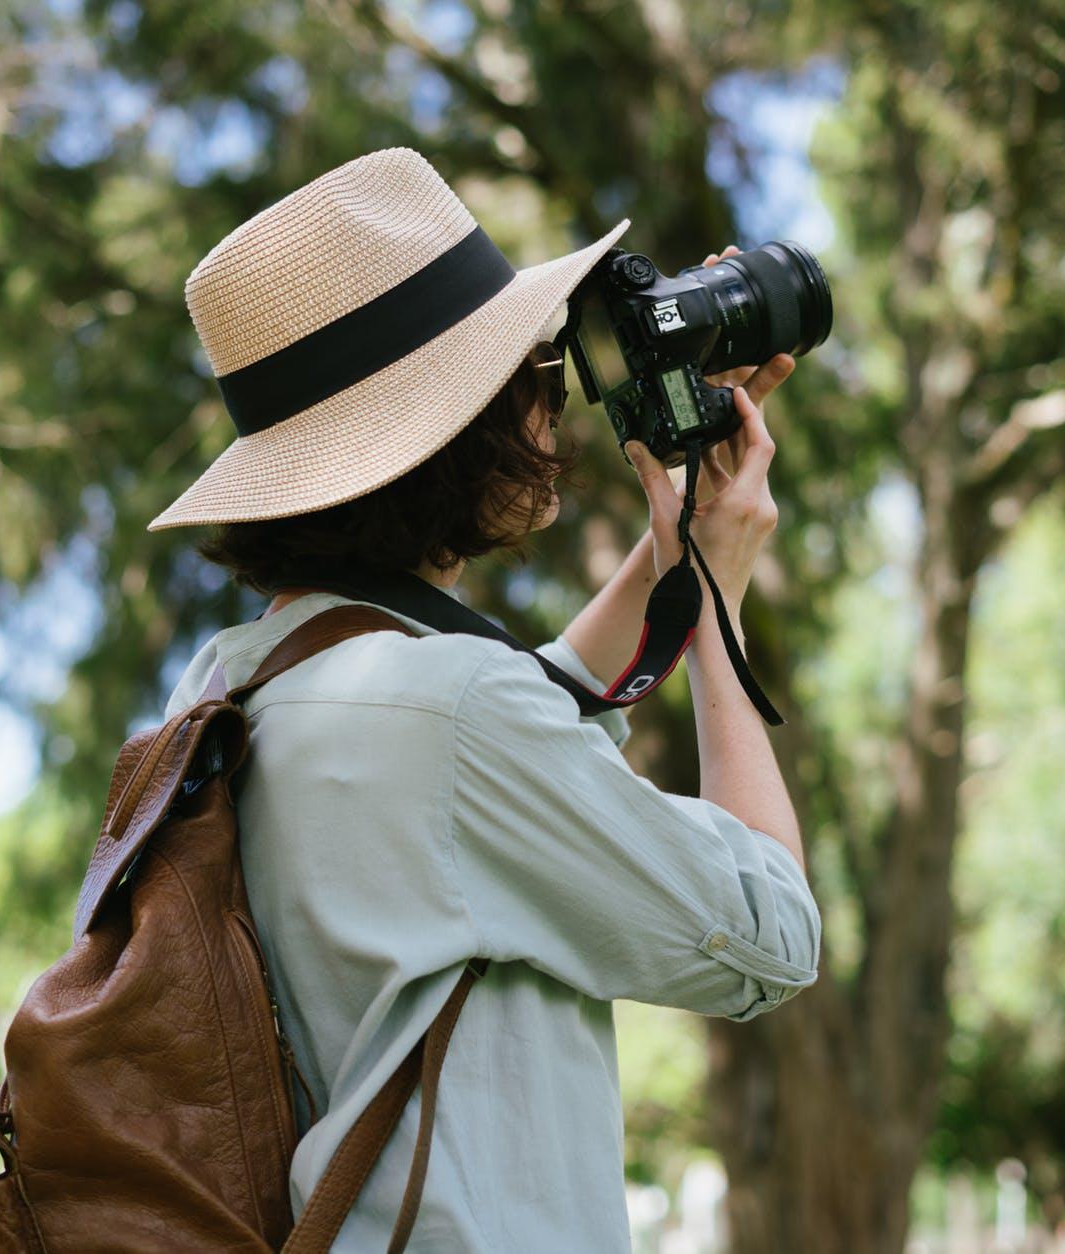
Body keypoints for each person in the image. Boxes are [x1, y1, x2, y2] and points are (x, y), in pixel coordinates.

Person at [149, 147, 821, 1252]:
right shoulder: (448, 713)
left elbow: (507, 727)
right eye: (534, 372)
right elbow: (768, 938)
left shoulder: (237, 681)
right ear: (456, 428)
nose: (552, 407)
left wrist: (678, 553)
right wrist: (714, 613)